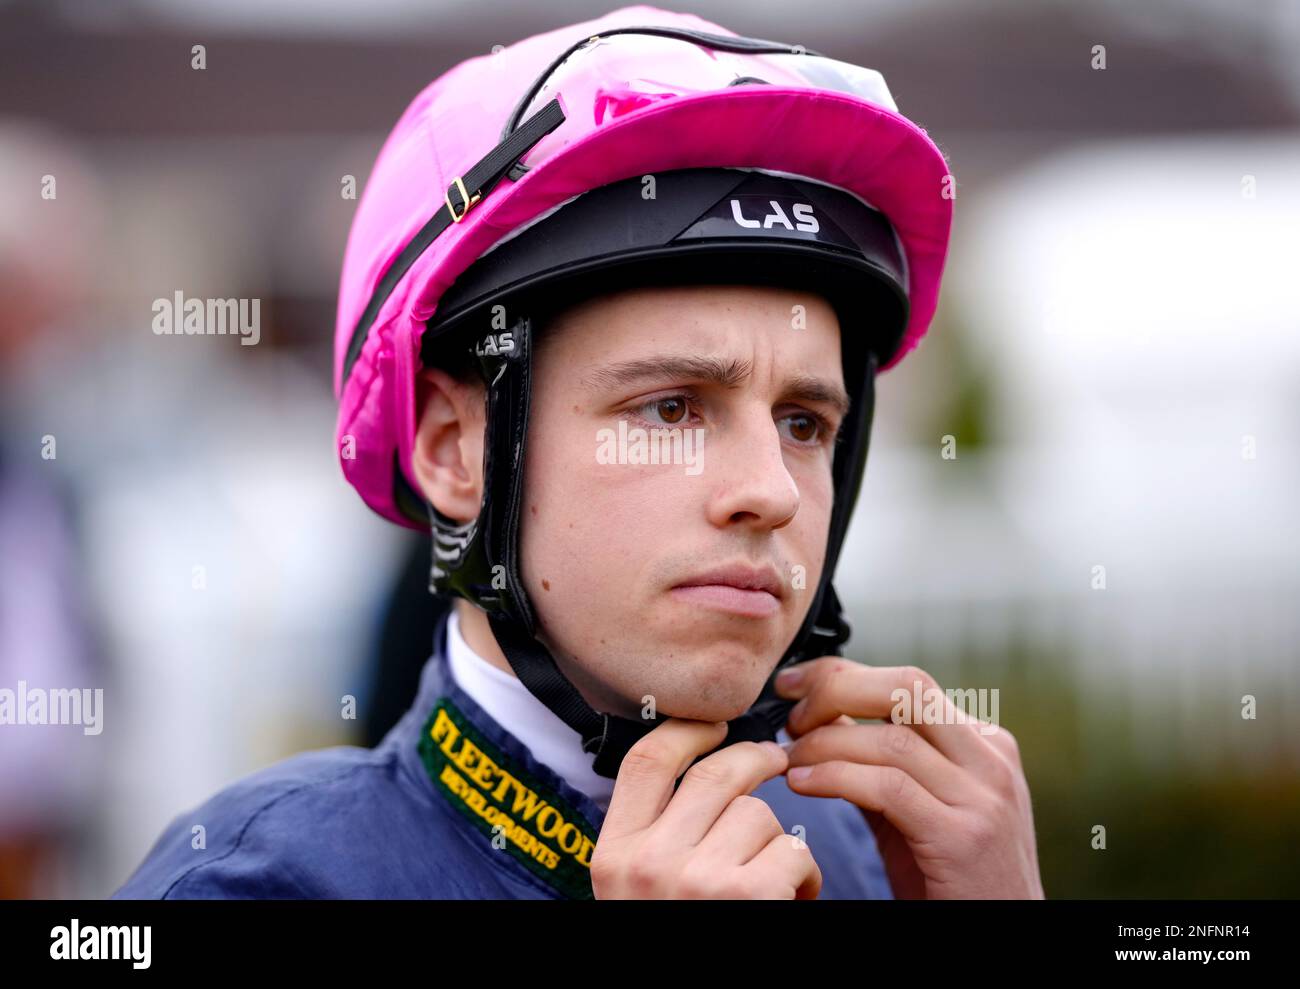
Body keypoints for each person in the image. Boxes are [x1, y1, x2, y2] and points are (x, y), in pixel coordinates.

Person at [114, 5, 1043, 900]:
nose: (772, 492)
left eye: (804, 423)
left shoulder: (885, 849)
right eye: (672, 406)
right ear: (452, 449)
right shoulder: (248, 884)